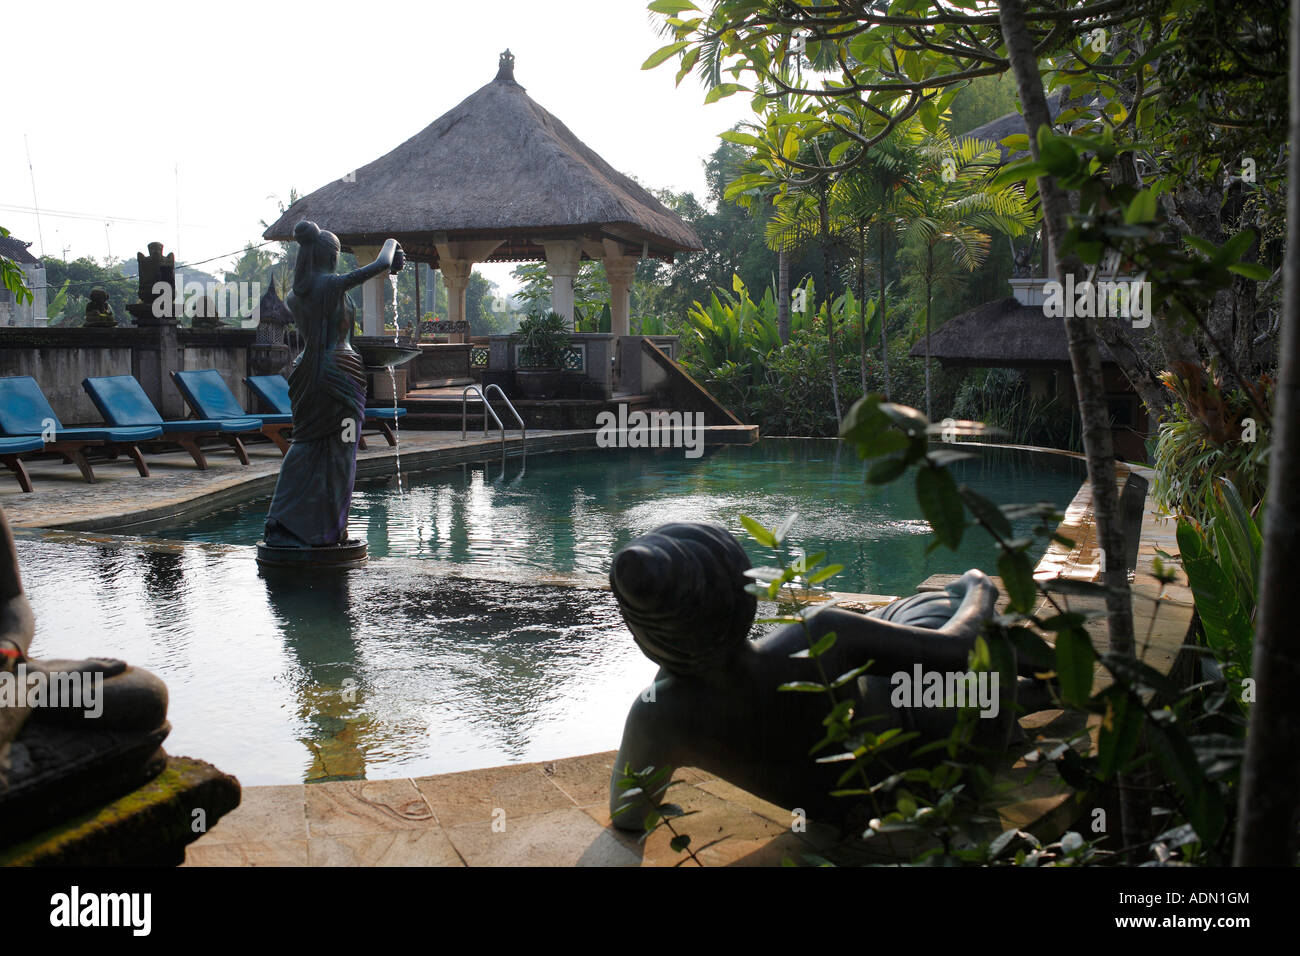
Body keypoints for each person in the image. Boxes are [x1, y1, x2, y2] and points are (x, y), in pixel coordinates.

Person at [606, 522, 1038, 829]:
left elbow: (628, 815)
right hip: (930, 751)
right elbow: (960, 649)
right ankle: (1040, 684)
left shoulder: (657, 716)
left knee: (886, 627)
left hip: (852, 806)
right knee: (946, 619)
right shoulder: (818, 635)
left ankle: (1034, 694)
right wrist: (980, 589)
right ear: (742, 592)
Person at [263, 220, 404, 548]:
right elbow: (382, 264)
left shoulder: (295, 295)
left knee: (305, 445)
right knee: (343, 451)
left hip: (306, 377)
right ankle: (331, 532)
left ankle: (281, 521)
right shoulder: (331, 286)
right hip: (340, 377)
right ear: (332, 256)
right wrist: (392, 241)